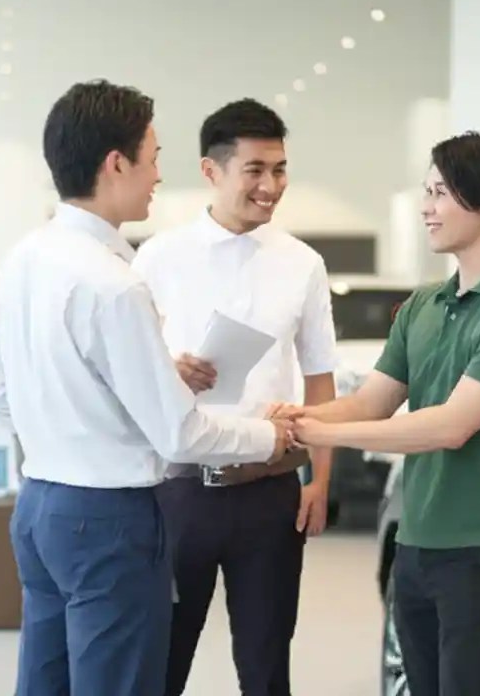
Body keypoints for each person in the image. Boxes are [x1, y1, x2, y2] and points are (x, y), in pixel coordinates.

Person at [0, 80, 294, 696]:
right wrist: (272, 435)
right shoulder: (113, 283)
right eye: (152, 158)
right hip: (109, 520)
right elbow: (180, 431)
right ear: (115, 163)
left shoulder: (24, 258)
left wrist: (92, 405)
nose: (157, 175)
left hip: (41, 505)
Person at [271, 131, 480, 696]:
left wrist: (324, 431)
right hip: (417, 543)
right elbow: (372, 401)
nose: (426, 208)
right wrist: (299, 416)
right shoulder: (425, 305)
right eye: (427, 192)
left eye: (440, 193)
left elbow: (450, 427)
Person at [132, 98, 338, 696]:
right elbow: (131, 371)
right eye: (255, 170)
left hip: (270, 492)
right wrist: (170, 369)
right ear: (211, 171)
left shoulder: (302, 263)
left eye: (279, 169)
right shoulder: (160, 258)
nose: (271, 185)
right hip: (178, 494)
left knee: (268, 668)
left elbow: (320, 375)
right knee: (162, 663)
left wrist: (320, 481)